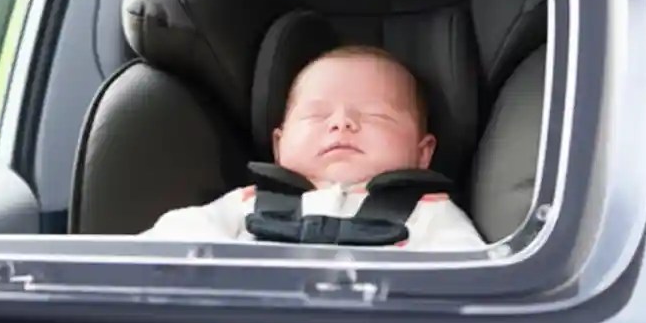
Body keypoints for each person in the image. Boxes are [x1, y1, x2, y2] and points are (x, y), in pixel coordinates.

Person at [138, 45, 489, 250]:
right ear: (279, 144)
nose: (342, 123)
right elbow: (173, 239)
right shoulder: (247, 204)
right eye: (317, 114)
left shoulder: (429, 213)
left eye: (376, 116)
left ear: (422, 152)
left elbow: (468, 273)